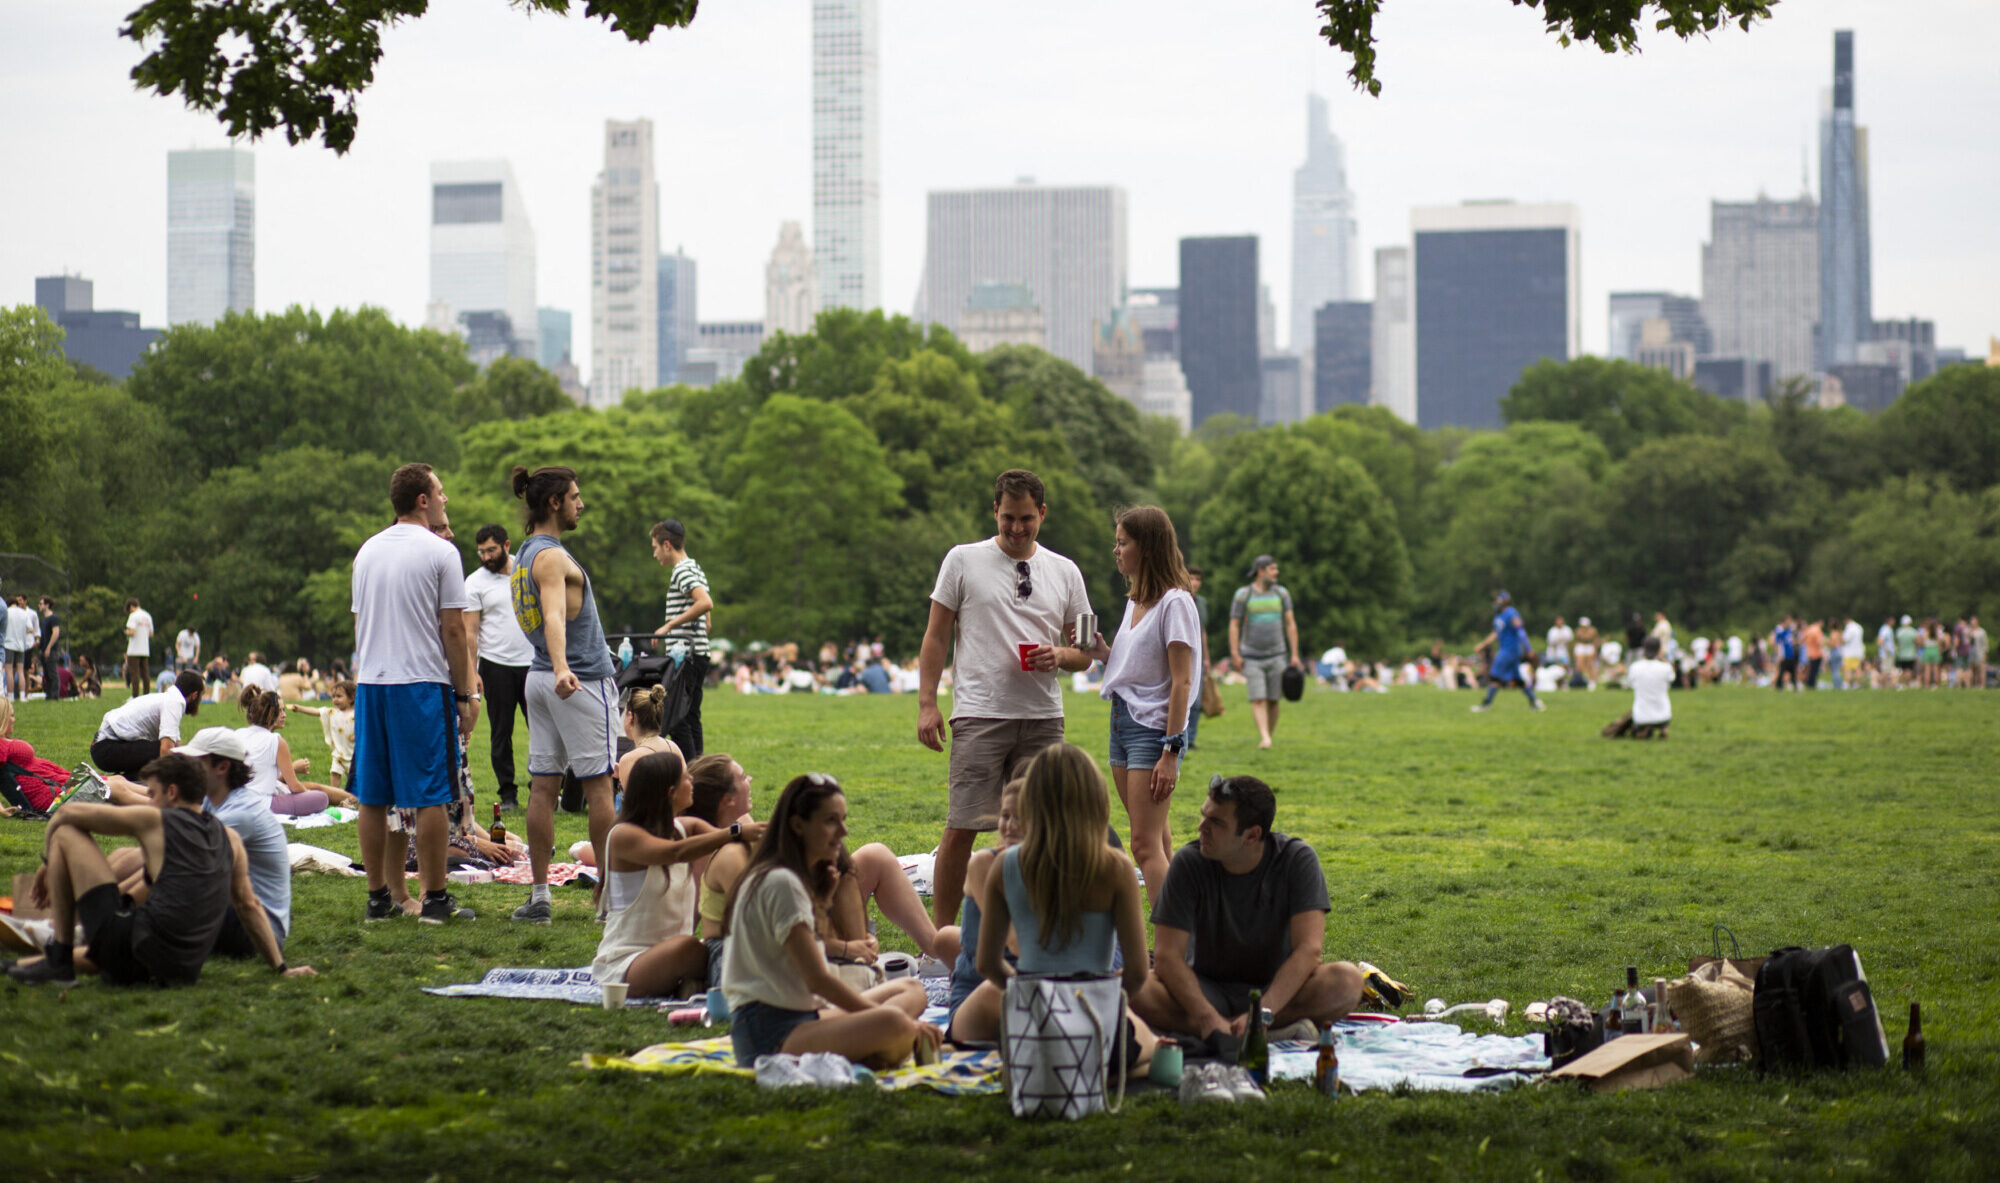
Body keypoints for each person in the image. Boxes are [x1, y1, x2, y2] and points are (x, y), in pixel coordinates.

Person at [916, 469, 1094, 930]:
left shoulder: (1066, 571)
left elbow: (1086, 651)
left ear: (1043, 514)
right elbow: (936, 636)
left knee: (1039, 828)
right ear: (994, 510)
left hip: (1042, 718)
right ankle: (941, 938)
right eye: (1008, 517)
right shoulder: (962, 560)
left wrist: (1061, 655)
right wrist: (928, 703)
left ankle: (1028, 931)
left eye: (1026, 519)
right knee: (962, 826)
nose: (1016, 528)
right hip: (979, 713)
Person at [9, 750, 315, 986]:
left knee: (66, 833)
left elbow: (67, 814)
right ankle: (44, 954)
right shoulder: (230, 838)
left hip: (133, 953)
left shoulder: (156, 820)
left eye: (152, 794)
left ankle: (60, 958)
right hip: (182, 969)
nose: (149, 801)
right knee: (132, 868)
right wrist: (282, 967)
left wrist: (48, 864)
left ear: (172, 793)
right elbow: (249, 905)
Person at [719, 773, 938, 1068]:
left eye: (843, 820)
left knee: (911, 990)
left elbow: (810, 957)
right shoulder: (781, 882)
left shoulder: (789, 876)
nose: (843, 831)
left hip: (804, 1015)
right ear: (798, 825)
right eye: (831, 821)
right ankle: (881, 1048)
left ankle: (878, 1048)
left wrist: (822, 905)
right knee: (895, 1023)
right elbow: (818, 979)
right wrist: (884, 1017)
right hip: (771, 1035)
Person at [1131, 774, 1367, 1041]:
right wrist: (1206, 1017)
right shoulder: (1188, 862)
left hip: (1278, 992)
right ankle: (1255, 1033)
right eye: (1204, 816)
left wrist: (1263, 1012)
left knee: (1347, 982)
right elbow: (1167, 957)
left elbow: (1308, 951)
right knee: (1130, 984)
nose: (1201, 827)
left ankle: (1243, 1029)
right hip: (1204, 990)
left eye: (1216, 822)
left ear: (1252, 835)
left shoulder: (1296, 860)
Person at [351, 461, 479, 926]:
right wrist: (465, 693)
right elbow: (454, 629)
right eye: (440, 492)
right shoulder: (441, 552)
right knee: (430, 794)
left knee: (373, 796)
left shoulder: (366, 550)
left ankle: (377, 899)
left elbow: (359, 624)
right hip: (421, 685)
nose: (445, 499)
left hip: (371, 684)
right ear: (423, 500)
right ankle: (436, 900)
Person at [508, 465, 619, 925]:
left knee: (542, 787)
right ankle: (610, 901)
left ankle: (539, 897)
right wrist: (561, 668)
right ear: (554, 502)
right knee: (600, 787)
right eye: (575, 496)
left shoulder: (523, 555)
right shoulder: (552, 557)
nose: (581, 504)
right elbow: (554, 615)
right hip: (576, 680)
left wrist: (551, 668)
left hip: (538, 680)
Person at [1079, 506, 1198, 908]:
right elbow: (1137, 668)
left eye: (1123, 543)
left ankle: (1173, 936)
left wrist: (1171, 751)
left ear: (1146, 548)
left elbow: (1181, 681)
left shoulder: (1175, 603)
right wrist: (1103, 652)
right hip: (1122, 722)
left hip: (1153, 731)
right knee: (1156, 840)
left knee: (1144, 846)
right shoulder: (1135, 601)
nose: (1116, 550)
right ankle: (1183, 928)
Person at [594, 750, 766, 999]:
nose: (693, 780)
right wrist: (736, 831)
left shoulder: (684, 827)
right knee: (693, 948)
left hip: (673, 954)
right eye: (686, 778)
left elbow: (721, 839)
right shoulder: (623, 835)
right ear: (670, 792)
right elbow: (676, 852)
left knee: (707, 947)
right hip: (626, 965)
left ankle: (692, 982)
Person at [465, 524, 532, 813]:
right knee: (500, 733)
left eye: (491, 550)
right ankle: (508, 794)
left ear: (506, 545)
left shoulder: (528, 570)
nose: (486, 557)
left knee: (541, 731)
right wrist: (473, 670)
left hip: (533, 663)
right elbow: (470, 632)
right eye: (481, 552)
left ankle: (542, 788)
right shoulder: (474, 582)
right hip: (495, 665)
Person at [649, 517, 713, 758]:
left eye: (655, 547)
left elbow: (705, 602)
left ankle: (687, 771)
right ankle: (699, 772)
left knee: (676, 717)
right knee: (691, 716)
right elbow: (706, 615)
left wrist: (669, 626)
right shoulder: (695, 567)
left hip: (684, 655)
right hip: (699, 652)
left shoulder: (682, 570)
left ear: (667, 545)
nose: (655, 554)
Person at [1228, 555, 1303, 749]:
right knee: (1258, 699)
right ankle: (1265, 737)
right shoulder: (1243, 595)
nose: (1276, 572)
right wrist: (1235, 653)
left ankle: (1268, 734)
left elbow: (1290, 624)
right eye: (1272, 569)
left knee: (1273, 700)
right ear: (1261, 571)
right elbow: (1234, 625)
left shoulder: (1282, 594)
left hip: (1277, 655)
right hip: (1251, 657)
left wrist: (1294, 654)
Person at [237, 686, 346, 815]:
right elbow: (294, 786)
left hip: (238, 800)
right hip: (262, 804)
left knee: (309, 787)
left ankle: (353, 799)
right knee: (321, 798)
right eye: (280, 711)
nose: (284, 715)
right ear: (270, 713)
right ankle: (354, 800)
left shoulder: (239, 734)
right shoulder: (276, 740)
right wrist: (307, 795)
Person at [91, 671, 205, 775]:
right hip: (107, 747)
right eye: (201, 696)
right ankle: (124, 784)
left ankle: (124, 783)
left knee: (170, 753)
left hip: (104, 745)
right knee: (164, 754)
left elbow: (177, 746)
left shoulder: (169, 699)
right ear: (194, 695)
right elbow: (166, 750)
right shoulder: (174, 703)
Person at [1471, 591, 1543, 712]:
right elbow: (1495, 634)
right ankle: (1535, 702)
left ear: (1505, 602)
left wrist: (1528, 648)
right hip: (1505, 649)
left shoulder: (1511, 613)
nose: (1496, 603)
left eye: (1498, 600)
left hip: (1510, 650)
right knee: (1517, 679)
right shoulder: (1498, 616)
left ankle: (1486, 704)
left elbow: (1521, 631)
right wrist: (1482, 645)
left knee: (1494, 675)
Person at [0, 698, 68, 816]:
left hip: (53, 782)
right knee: (98, 787)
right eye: (11, 716)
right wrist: (1, 810)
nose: (14, 719)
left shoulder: (4, 741)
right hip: (49, 792)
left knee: (99, 783)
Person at [287, 681, 357, 789]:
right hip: (338, 755)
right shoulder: (332, 712)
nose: (335, 699)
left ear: (351, 698)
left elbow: (364, 729)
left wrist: (357, 736)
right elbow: (316, 711)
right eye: (333, 696)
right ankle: (334, 793)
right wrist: (300, 708)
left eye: (339, 696)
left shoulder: (357, 715)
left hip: (354, 756)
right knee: (335, 773)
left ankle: (356, 796)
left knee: (356, 780)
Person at [1607, 637, 1674, 739]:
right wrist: (1663, 659)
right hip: (1664, 716)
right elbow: (1671, 678)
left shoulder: (1635, 667)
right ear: (1659, 650)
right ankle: (1663, 730)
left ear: (1644, 649)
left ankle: (1643, 729)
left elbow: (1629, 683)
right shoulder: (1666, 667)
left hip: (1641, 716)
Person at [1185, 566, 1210, 751]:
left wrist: (1207, 657)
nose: (1195, 583)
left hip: (1197, 656)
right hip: (1181, 654)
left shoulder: (1201, 603)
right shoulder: (1177, 599)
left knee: (1196, 701)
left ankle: (1190, 739)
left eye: (1198, 579)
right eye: (1191, 578)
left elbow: (1202, 632)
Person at [4, 595, 36, 701]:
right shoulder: (24, 613)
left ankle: (10, 695)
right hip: (21, 645)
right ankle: (23, 695)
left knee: (9, 671)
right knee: (21, 671)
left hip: (9, 644)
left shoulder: (6, 612)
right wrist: (21, 631)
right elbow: (31, 629)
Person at [121, 597, 154, 693]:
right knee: (145, 675)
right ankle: (146, 694)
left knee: (134, 674)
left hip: (134, 650)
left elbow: (132, 632)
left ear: (131, 606)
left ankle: (135, 695)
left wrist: (126, 632)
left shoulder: (133, 616)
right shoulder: (147, 616)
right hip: (145, 650)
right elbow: (151, 634)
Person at [37, 597, 64, 703]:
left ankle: (54, 696)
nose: (39, 606)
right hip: (44, 650)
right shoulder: (44, 619)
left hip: (51, 651)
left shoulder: (53, 618)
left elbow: (56, 633)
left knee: (52, 674)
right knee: (47, 674)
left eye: (41, 604)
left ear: (47, 605)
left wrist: (49, 647)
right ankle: (48, 695)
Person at [1572, 617, 1599, 687]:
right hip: (1581, 646)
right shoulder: (1578, 631)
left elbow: (1596, 640)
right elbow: (1575, 640)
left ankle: (1591, 682)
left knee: (1590, 665)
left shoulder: (1593, 631)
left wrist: (1595, 650)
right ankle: (1582, 680)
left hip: (1589, 646)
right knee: (1579, 665)